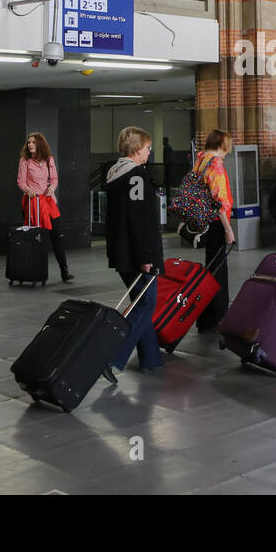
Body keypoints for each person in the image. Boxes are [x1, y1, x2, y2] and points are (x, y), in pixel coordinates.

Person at [102, 127, 165, 378]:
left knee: (142, 303)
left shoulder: (114, 173)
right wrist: (146, 257)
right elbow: (139, 220)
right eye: (148, 148)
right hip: (138, 254)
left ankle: (152, 358)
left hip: (121, 251)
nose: (150, 152)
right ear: (137, 149)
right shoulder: (136, 176)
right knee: (146, 304)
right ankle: (112, 355)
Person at [194, 130, 237, 333]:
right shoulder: (216, 163)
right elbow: (219, 199)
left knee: (210, 267)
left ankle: (206, 316)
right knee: (219, 269)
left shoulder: (201, 159)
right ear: (222, 144)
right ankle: (218, 314)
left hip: (206, 220)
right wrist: (228, 229)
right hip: (217, 221)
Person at [17, 132, 73, 283]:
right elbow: (21, 181)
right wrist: (28, 190)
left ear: (39, 144)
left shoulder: (49, 160)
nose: (30, 145)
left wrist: (51, 188)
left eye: (33, 142)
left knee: (58, 236)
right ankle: (36, 271)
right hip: (33, 203)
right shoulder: (25, 161)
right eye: (28, 142)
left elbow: (54, 179)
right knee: (37, 238)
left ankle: (64, 270)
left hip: (48, 202)